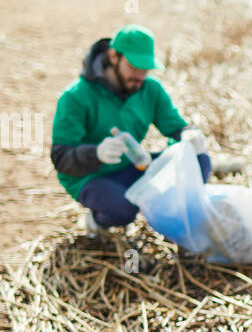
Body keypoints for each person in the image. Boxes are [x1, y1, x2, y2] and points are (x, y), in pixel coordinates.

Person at [50, 24, 210, 232]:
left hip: (133, 164)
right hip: (91, 176)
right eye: (134, 67)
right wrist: (96, 153)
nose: (140, 76)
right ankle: (95, 224)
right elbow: (61, 157)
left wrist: (188, 134)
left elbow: (176, 127)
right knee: (122, 210)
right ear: (113, 56)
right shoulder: (75, 96)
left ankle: (182, 221)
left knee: (200, 159)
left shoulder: (150, 89)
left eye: (145, 69)